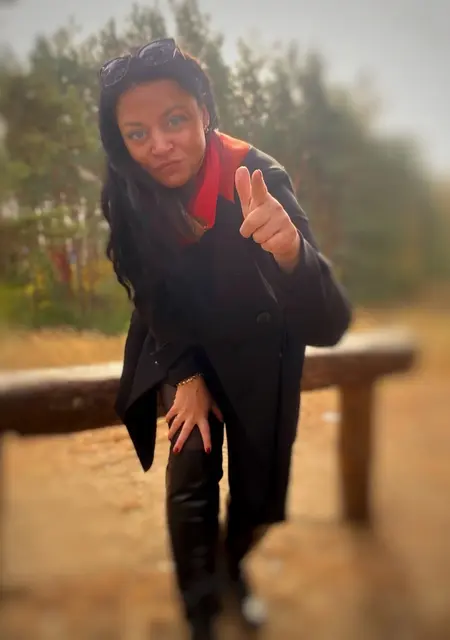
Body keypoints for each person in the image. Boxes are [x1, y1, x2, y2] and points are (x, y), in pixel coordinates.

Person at [98, 37, 352, 640]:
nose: (158, 145)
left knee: (260, 496)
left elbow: (330, 321)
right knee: (192, 462)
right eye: (137, 133)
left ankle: (231, 567)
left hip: (262, 352)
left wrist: (290, 253)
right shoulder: (128, 190)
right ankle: (200, 613)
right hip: (180, 343)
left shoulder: (258, 176)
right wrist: (185, 377)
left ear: (205, 113)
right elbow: (149, 293)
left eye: (174, 120)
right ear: (121, 142)